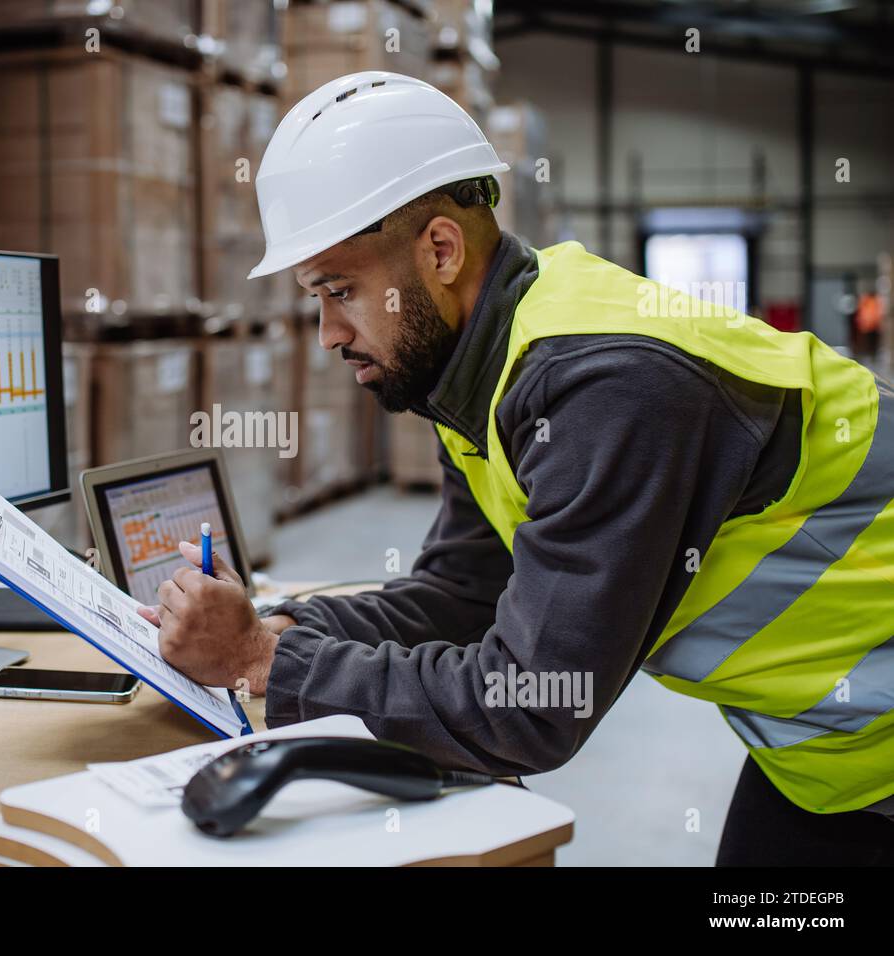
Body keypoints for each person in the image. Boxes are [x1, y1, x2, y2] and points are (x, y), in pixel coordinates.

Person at [135, 72, 894, 866]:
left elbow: (529, 704)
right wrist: (279, 629)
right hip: (825, 758)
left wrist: (263, 658)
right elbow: (464, 597)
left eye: (339, 291)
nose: (326, 333)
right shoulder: (484, 371)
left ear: (439, 250)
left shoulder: (607, 388)